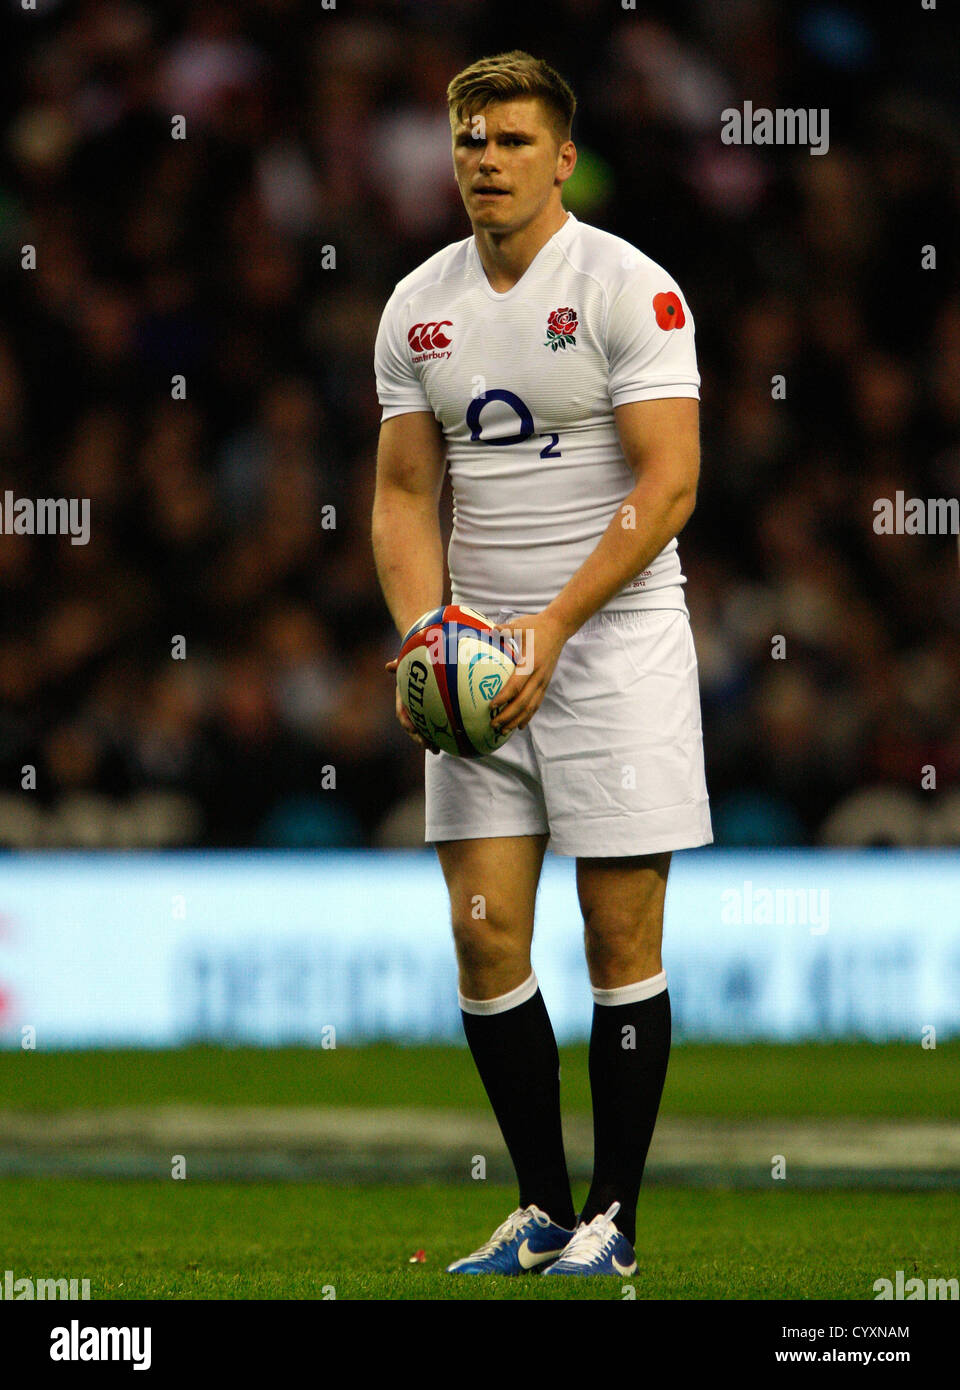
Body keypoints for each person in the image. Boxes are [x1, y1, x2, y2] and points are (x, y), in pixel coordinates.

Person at [372, 50, 711, 1277]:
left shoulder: (630, 287)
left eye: (511, 141)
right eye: (470, 139)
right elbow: (406, 494)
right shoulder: (417, 303)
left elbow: (669, 481)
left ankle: (616, 1219)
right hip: (476, 658)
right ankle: (540, 1208)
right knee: (484, 940)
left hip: (612, 647)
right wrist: (428, 635)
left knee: (620, 942)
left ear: (562, 155)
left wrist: (552, 628)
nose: (485, 160)